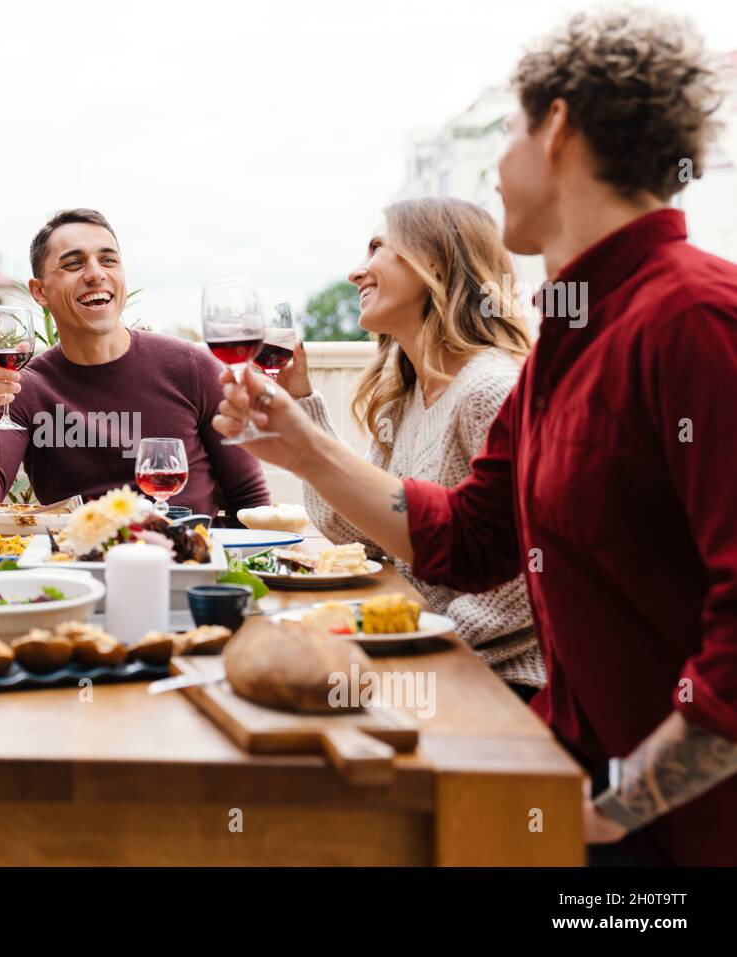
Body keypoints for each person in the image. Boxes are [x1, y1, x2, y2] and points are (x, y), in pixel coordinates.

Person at [215, 8, 736, 865]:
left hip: (669, 838)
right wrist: (302, 447)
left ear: (558, 127)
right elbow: (471, 535)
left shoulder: (696, 318)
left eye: (508, 131)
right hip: (558, 773)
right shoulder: (569, 334)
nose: (495, 167)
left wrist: (612, 812)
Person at [281, 197, 543, 697]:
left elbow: (525, 578)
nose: (356, 272)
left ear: (436, 263)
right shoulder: (405, 396)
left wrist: (412, 640)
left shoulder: (489, 389)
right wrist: (302, 403)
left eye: (378, 247)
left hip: (500, 679)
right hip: (431, 656)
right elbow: (356, 532)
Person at [0, 208, 269, 519]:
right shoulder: (24, 388)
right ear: (39, 291)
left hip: (185, 565)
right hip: (77, 567)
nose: (95, 274)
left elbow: (251, 499)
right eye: (74, 264)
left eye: (108, 260)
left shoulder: (192, 367)